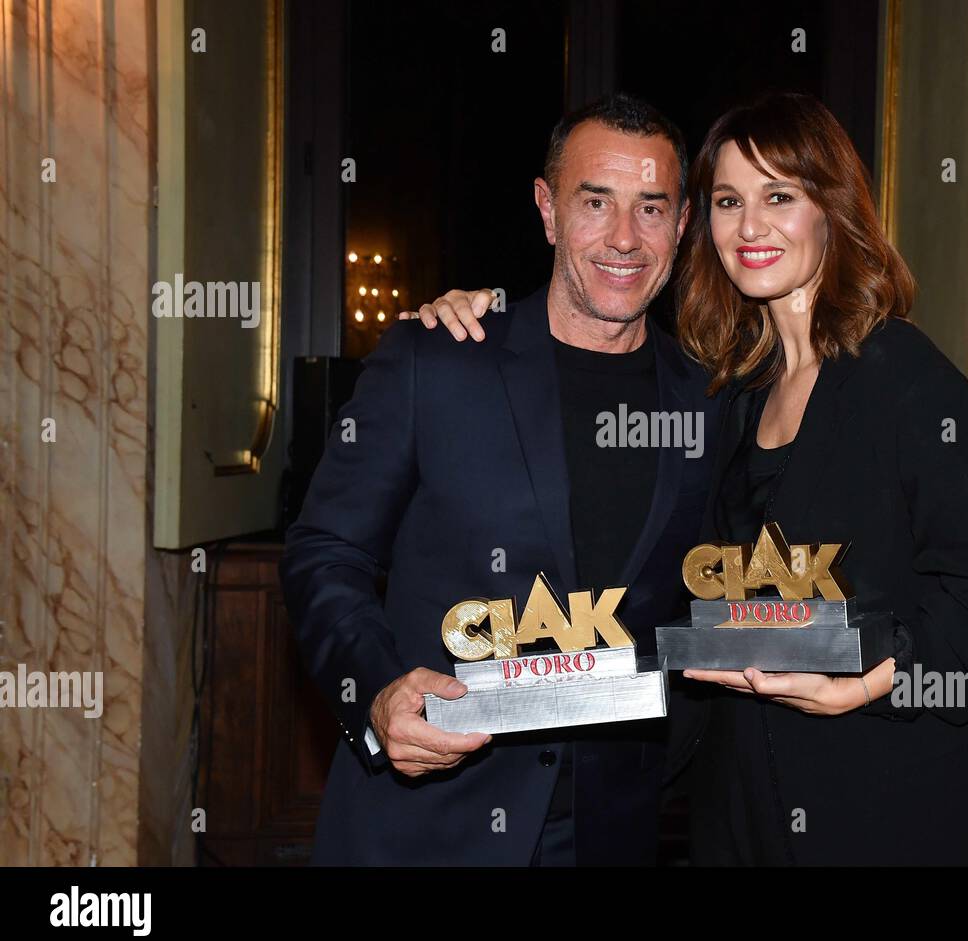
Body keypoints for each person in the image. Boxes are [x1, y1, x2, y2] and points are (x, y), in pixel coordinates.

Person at [411, 91, 968, 866]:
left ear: (831, 210)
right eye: (727, 201)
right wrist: (485, 317)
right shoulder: (735, 392)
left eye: (779, 197)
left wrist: (869, 682)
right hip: (734, 802)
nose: (750, 227)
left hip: (871, 797)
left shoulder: (904, 379)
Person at [280, 93, 718, 866]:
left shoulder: (711, 402)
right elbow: (324, 552)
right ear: (548, 210)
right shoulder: (438, 360)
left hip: (611, 835)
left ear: (683, 225)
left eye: (652, 207)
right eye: (595, 202)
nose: (624, 237)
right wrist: (376, 692)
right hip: (426, 824)